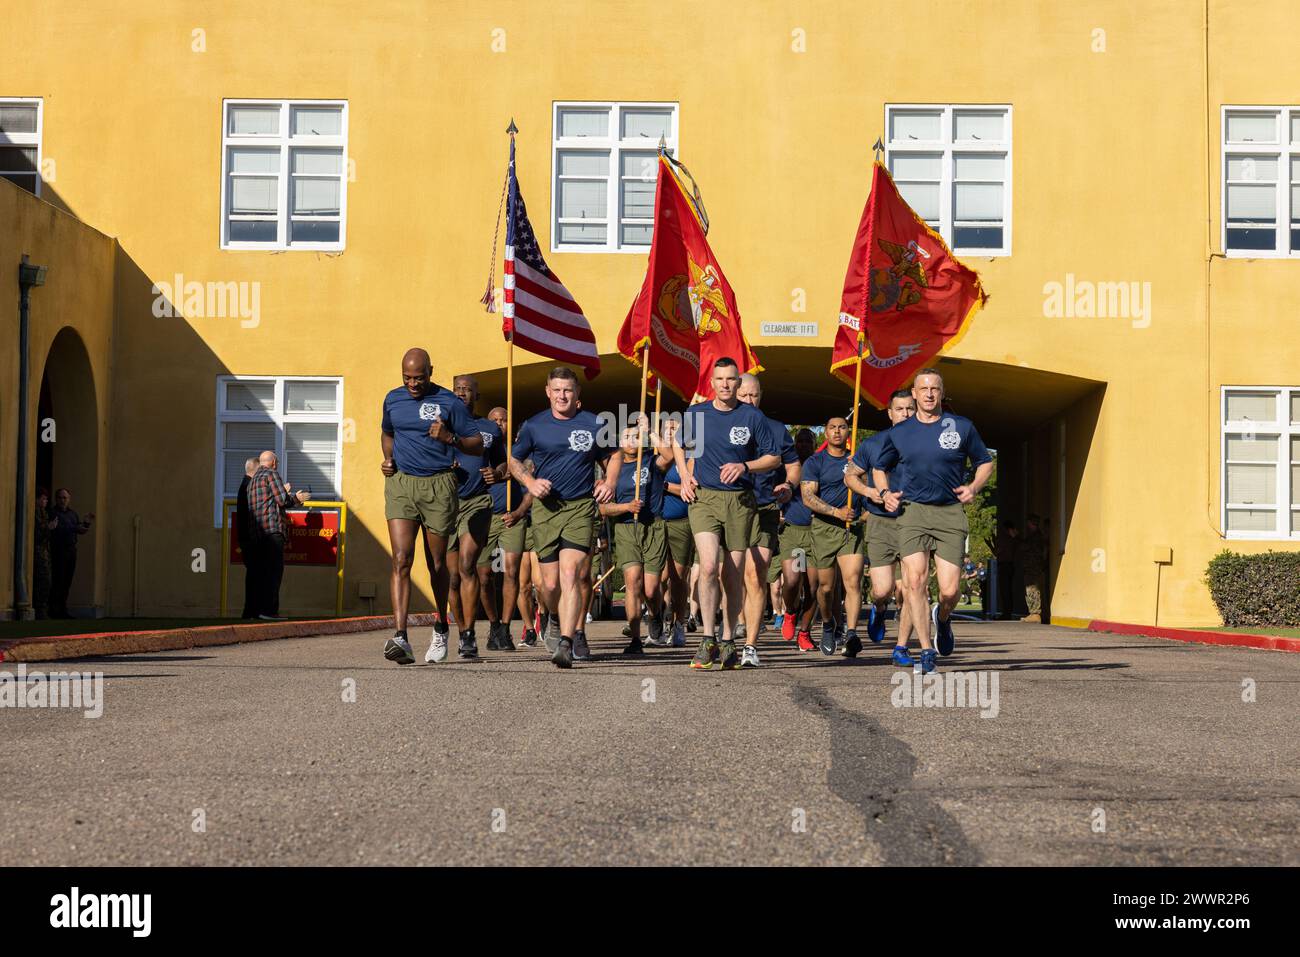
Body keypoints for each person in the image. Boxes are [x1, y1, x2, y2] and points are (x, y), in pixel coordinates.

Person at [875, 368, 993, 674]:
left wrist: (974, 487)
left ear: (942, 393)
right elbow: (879, 468)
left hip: (950, 511)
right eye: (923, 389)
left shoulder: (962, 427)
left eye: (935, 389)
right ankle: (926, 650)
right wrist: (885, 491)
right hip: (912, 511)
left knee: (950, 590)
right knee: (914, 581)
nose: (929, 394)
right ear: (914, 394)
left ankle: (943, 617)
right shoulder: (899, 432)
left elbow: (984, 462)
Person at [510, 366, 620, 668]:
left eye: (567, 390)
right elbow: (514, 459)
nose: (562, 395)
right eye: (556, 390)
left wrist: (609, 482)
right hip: (546, 510)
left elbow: (614, 455)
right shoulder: (534, 425)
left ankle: (567, 642)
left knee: (571, 573)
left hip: (580, 508)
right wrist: (530, 483)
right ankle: (555, 617)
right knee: (548, 585)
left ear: (577, 394)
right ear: (548, 392)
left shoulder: (594, 423)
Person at [380, 348, 484, 665]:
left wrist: (450, 437)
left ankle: (441, 625)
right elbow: (387, 433)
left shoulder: (449, 402)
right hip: (401, 484)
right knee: (401, 558)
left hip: (439, 485)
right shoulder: (393, 399)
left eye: (419, 377)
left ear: (430, 371)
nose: (413, 384)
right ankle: (401, 637)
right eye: (407, 377)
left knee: (437, 565)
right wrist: (388, 458)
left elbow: (476, 443)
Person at [682, 358, 779, 671]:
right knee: (708, 565)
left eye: (731, 380)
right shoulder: (696, 413)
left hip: (740, 500)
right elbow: (681, 444)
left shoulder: (752, 416)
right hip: (704, 499)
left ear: (739, 384)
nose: (725, 384)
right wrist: (684, 476)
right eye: (720, 379)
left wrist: (745, 466)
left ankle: (727, 639)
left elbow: (773, 458)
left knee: (733, 573)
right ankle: (707, 637)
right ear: (712, 382)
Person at [846, 388, 917, 656]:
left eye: (910, 408)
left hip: (914, 521)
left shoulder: (926, 442)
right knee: (882, 589)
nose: (906, 414)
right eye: (900, 409)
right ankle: (878, 608)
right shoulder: (873, 444)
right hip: (880, 521)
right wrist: (868, 492)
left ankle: (901, 647)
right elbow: (850, 477)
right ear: (890, 413)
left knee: (912, 588)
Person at [735, 373, 800, 668]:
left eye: (754, 396)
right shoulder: (723, 424)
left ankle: (750, 645)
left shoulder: (775, 429)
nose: (750, 401)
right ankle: (728, 632)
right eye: (744, 395)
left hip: (766, 509)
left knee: (755, 575)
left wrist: (789, 485)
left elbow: (793, 464)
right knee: (732, 576)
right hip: (731, 508)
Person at [444, 374, 506, 658]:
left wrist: (498, 473)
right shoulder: (440, 426)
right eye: (457, 389)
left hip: (479, 501)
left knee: (468, 565)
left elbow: (504, 462)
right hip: (446, 503)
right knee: (452, 577)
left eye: (467, 390)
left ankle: (469, 634)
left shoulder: (489, 428)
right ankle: (460, 632)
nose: (461, 394)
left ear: (476, 396)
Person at [601, 425, 670, 655]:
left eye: (636, 436)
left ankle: (656, 614)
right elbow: (602, 507)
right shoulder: (613, 467)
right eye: (628, 436)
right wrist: (625, 507)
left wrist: (649, 431)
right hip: (626, 528)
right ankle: (635, 639)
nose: (632, 440)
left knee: (650, 590)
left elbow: (669, 456)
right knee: (632, 583)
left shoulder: (652, 461)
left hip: (653, 527)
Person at [801, 417, 866, 656]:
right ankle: (828, 623)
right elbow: (808, 496)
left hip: (851, 529)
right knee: (826, 588)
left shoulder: (857, 460)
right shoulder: (815, 461)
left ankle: (851, 634)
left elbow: (871, 489)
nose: (837, 431)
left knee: (852, 582)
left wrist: (858, 473)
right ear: (825, 433)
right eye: (832, 427)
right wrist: (836, 512)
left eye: (842, 427)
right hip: (825, 528)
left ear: (848, 431)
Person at [480, 406, 533, 649]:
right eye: (495, 420)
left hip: (513, 518)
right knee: (484, 575)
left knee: (511, 572)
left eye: (504, 420)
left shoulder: (520, 451)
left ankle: (504, 628)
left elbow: (533, 488)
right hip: (485, 517)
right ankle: (492, 625)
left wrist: (519, 512)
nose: (500, 424)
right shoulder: (480, 448)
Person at [247, 451, 310, 620]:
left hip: (257, 533)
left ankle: (257, 611)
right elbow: (283, 500)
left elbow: (267, 501)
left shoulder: (252, 481)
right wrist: (296, 498)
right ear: (274, 462)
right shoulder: (271, 474)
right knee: (274, 572)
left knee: (261, 574)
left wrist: (283, 493)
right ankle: (269, 611)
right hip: (272, 530)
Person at [778, 428, 820, 651]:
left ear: (814, 444)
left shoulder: (820, 464)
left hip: (817, 533)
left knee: (813, 587)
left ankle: (805, 633)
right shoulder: (788, 466)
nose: (803, 444)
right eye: (800, 440)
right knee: (793, 581)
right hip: (793, 532)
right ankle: (790, 612)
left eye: (808, 440)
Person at [661, 422, 694, 648]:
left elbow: (690, 488)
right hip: (654, 522)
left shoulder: (690, 458)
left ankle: (678, 623)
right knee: (657, 579)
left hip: (681, 522)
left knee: (678, 578)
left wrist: (665, 485)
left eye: (676, 428)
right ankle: (659, 619)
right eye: (668, 429)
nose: (672, 432)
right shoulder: (653, 457)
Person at [48, 487, 94, 618]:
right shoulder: (52, 513)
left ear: (69, 499)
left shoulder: (72, 514)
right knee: (58, 580)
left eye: (65, 498)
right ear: (56, 499)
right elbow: (58, 530)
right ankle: (54, 610)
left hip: (71, 550)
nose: (63, 500)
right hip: (58, 550)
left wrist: (86, 523)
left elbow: (81, 530)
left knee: (67, 581)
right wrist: (75, 528)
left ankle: (62, 610)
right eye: (60, 498)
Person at [235, 457, 261, 619]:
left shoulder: (245, 485)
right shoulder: (249, 487)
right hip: (250, 539)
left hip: (247, 538)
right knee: (255, 575)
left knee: (253, 574)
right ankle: (251, 611)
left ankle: (251, 610)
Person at [1019, 513, 1048, 623]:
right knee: (1036, 589)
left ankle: (1035, 613)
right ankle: (1037, 613)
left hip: (1033, 567)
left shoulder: (1034, 537)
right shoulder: (1038, 536)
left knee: (1032, 589)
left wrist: (1016, 538)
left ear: (1031, 523)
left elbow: (1025, 547)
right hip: (1035, 566)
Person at [32, 487, 54, 619]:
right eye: (43, 498)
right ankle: (40, 611)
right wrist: (48, 528)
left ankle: (42, 610)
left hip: (45, 550)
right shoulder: (36, 512)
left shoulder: (44, 513)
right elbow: (38, 531)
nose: (45, 501)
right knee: (43, 580)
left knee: (46, 581)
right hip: (39, 550)